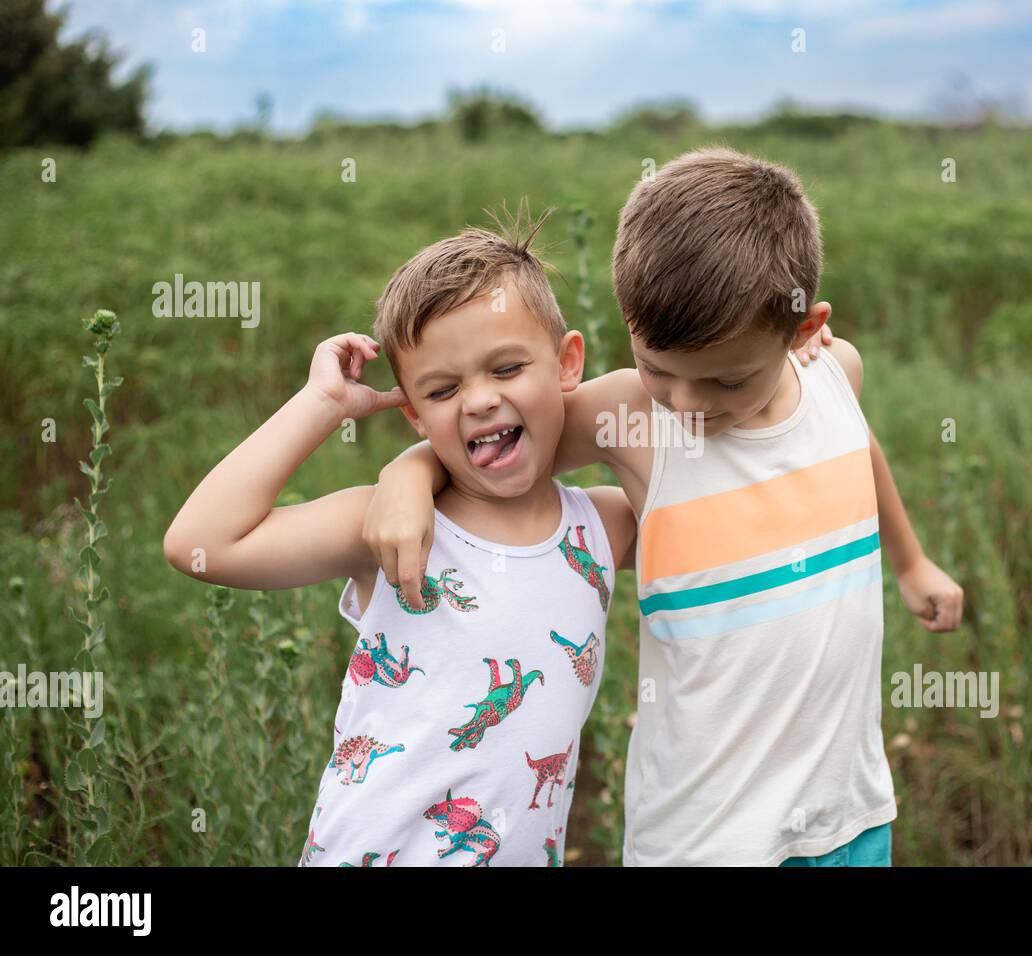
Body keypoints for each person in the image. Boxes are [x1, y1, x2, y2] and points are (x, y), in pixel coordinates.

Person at [364, 148, 964, 866]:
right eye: (657, 368)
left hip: (849, 811)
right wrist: (409, 471)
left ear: (803, 330)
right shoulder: (634, 416)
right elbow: (498, 440)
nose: (686, 403)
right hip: (707, 836)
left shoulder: (837, 374)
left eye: (725, 382)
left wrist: (912, 560)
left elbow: (859, 456)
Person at [164, 210, 636, 866]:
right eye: (443, 390)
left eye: (505, 369)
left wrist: (817, 362)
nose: (477, 401)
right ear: (413, 414)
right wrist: (321, 405)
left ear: (568, 363)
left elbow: (698, 453)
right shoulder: (388, 527)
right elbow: (202, 543)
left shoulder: (603, 528)